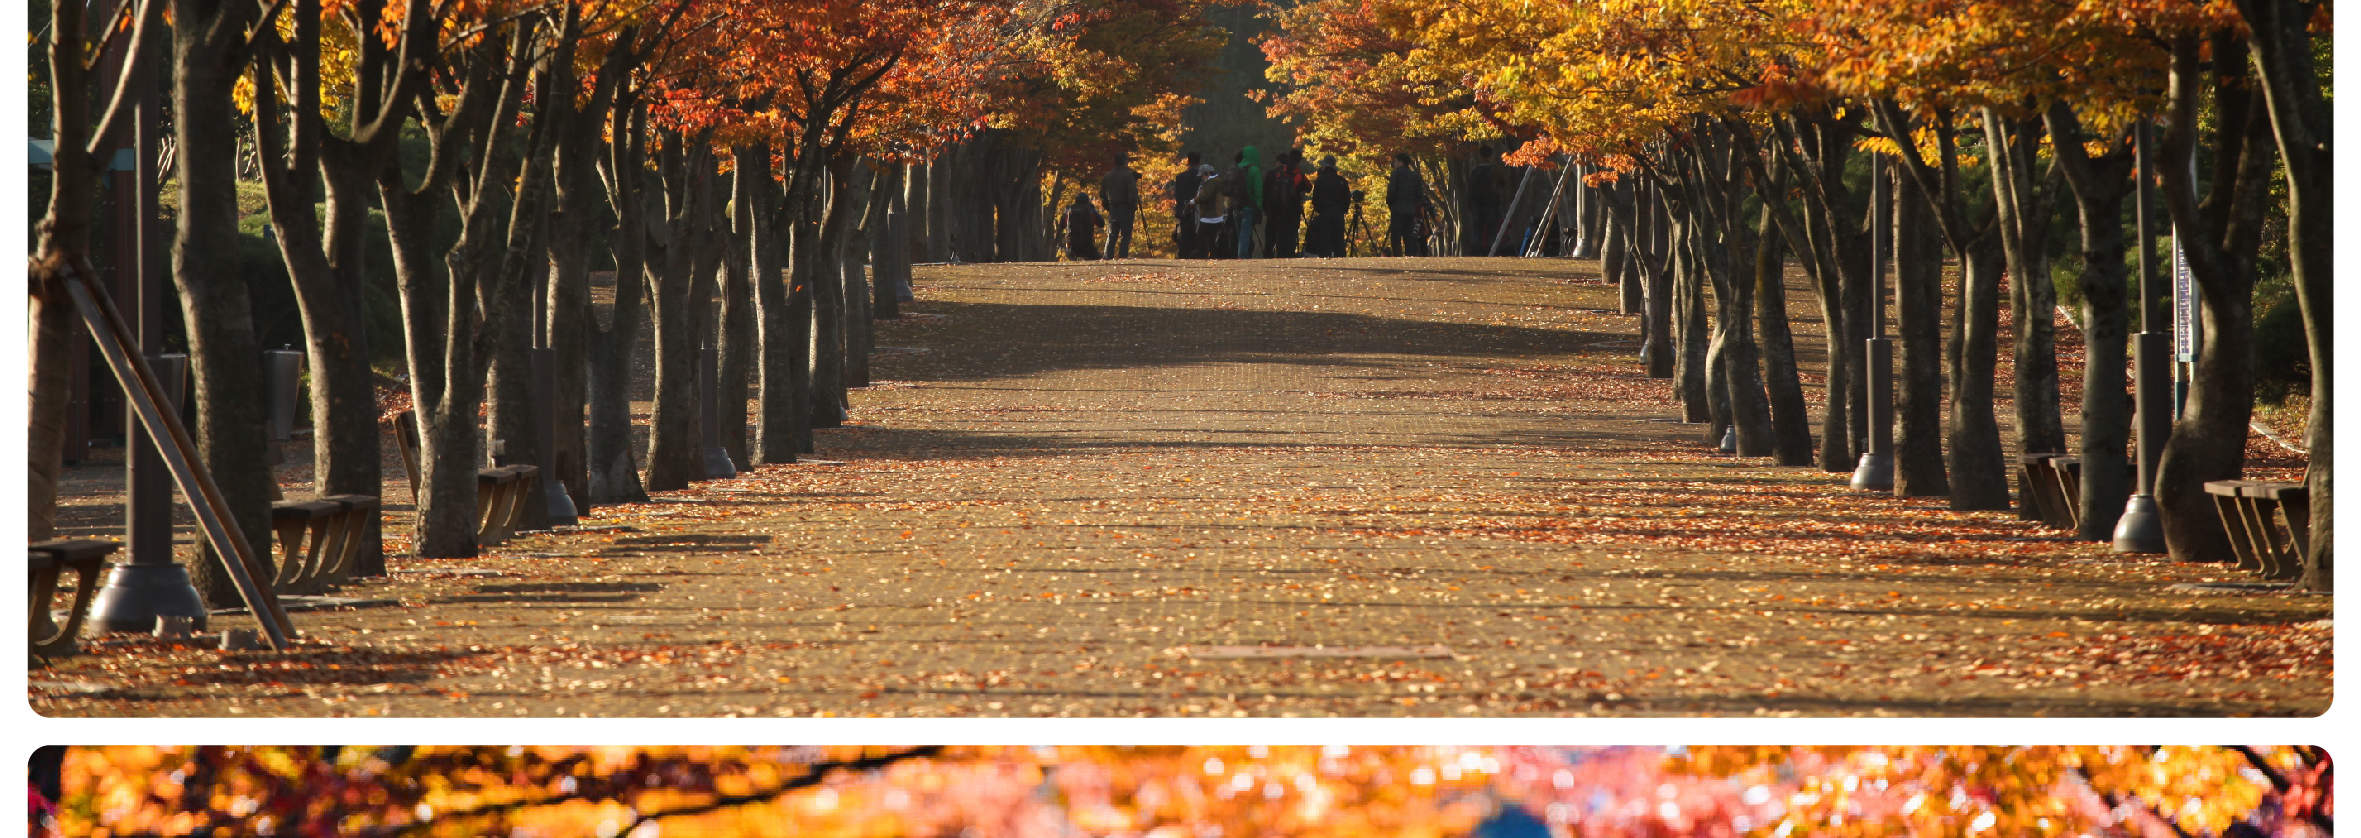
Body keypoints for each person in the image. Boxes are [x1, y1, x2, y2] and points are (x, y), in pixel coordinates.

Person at [1308, 155, 1350, 257]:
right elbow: (1347, 198)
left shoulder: (1320, 180)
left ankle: (1325, 262)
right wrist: (1343, 210)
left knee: (1324, 240)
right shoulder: (1341, 181)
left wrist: (1319, 209)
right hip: (1338, 213)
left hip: (1324, 213)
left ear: (1325, 166)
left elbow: (1315, 199)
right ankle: (1341, 261)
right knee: (1339, 240)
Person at [1099, 155, 1140, 260]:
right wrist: (1133, 206)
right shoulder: (1128, 175)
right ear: (1125, 162)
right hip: (1126, 207)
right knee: (1126, 234)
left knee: (1112, 233)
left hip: (1113, 207)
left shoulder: (1108, 175)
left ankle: (1108, 255)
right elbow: (1132, 192)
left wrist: (1108, 205)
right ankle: (1123, 255)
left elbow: (1102, 193)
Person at [1386, 152, 1427, 257]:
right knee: (1409, 236)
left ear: (1400, 162)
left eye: (1395, 161)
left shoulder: (1396, 174)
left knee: (1396, 236)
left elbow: (1391, 192)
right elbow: (1419, 195)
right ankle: (1410, 256)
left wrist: (1390, 203)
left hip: (1397, 209)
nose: (1394, 164)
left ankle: (1397, 257)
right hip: (1410, 210)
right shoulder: (1415, 175)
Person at [1231, 146, 1264, 258]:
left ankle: (1243, 255)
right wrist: (1259, 207)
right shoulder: (1255, 170)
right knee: (1245, 234)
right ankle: (1243, 257)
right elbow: (1258, 191)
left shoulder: (1236, 168)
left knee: (1240, 233)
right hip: (1249, 207)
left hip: (1235, 206)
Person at [1192, 163, 1230, 259]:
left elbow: (1204, 197)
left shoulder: (1212, 182)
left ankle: (1204, 257)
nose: (1202, 178)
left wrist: (1193, 201)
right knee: (1212, 240)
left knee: (1202, 239)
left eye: (1203, 176)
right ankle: (1213, 256)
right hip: (1216, 216)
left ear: (1207, 173)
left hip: (1210, 216)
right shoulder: (1218, 181)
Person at [1171, 151, 1204, 257]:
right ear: (1199, 162)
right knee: (1200, 239)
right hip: (1200, 212)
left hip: (1184, 211)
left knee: (1185, 239)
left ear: (1188, 161)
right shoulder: (1203, 178)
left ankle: (1184, 258)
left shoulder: (1180, 177)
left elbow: (1178, 196)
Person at [1065, 195, 1103, 261]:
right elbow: (1101, 223)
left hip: (1072, 246)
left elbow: (1062, 224)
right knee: (1099, 260)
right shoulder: (1090, 209)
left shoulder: (1069, 210)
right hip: (1088, 245)